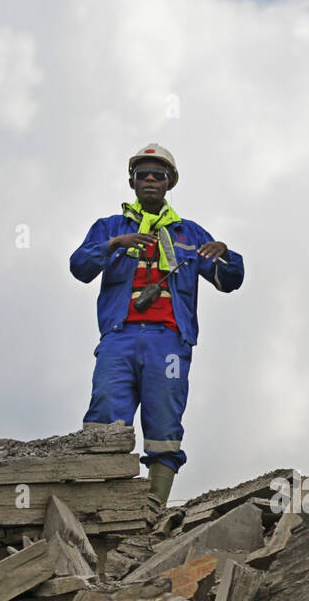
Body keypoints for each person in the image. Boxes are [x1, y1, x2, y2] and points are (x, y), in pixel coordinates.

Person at [70, 143, 245, 508]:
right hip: (120, 336)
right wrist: (116, 243)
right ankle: (99, 507)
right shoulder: (110, 227)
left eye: (158, 175)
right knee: (105, 414)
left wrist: (225, 252)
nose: (150, 179)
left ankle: (152, 509)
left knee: (164, 419)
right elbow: (79, 267)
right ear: (132, 182)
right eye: (142, 174)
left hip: (168, 340)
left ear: (170, 183)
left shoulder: (191, 234)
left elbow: (229, 280)